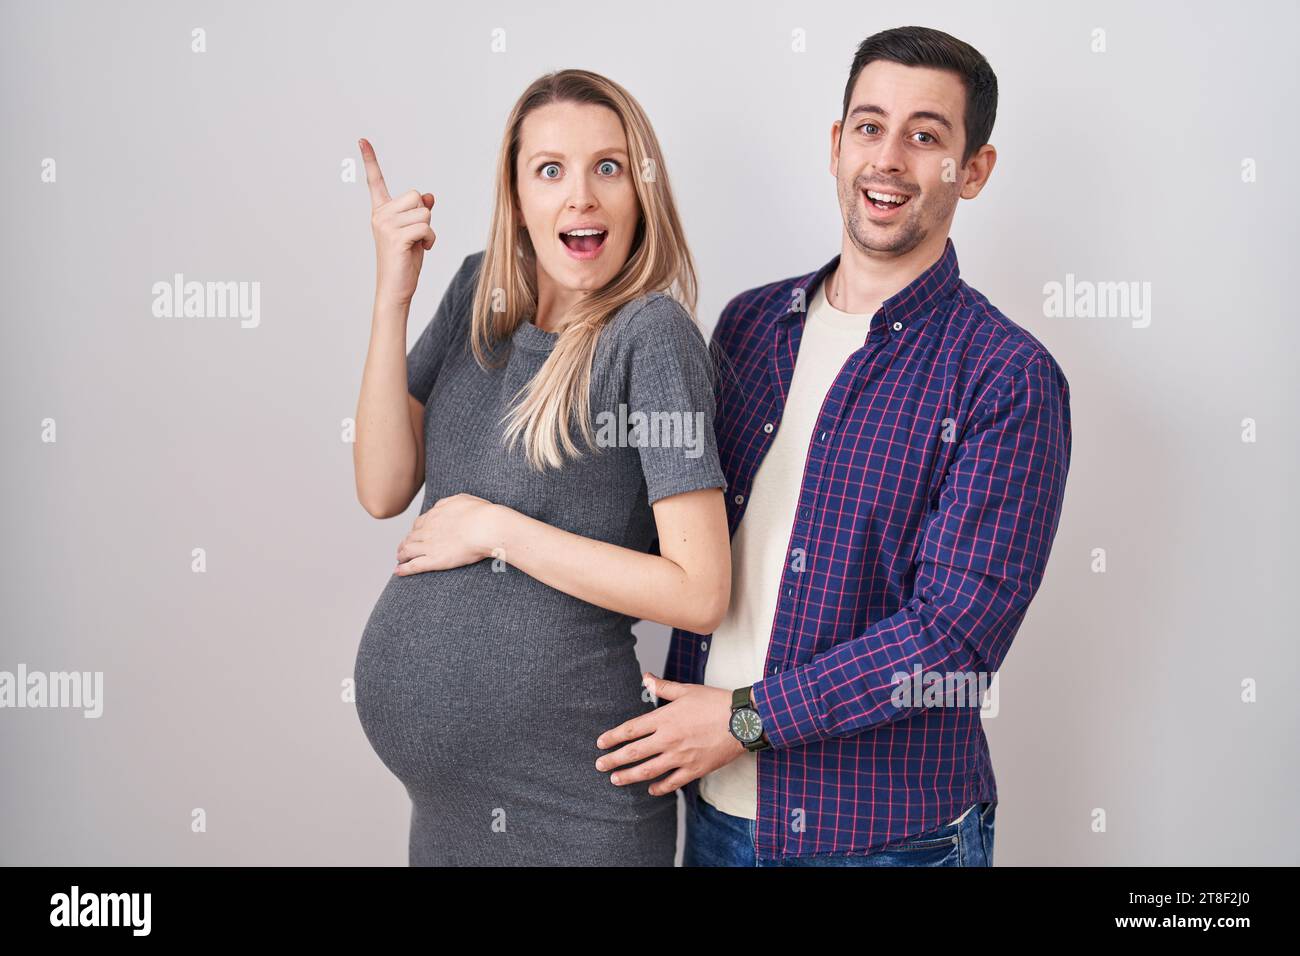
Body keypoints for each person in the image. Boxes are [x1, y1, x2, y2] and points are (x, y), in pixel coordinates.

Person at [594, 25, 1072, 866]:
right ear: (835, 144)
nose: (888, 158)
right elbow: (681, 535)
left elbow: (950, 639)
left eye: (926, 136)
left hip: (888, 839)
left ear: (974, 170)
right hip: (710, 816)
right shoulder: (748, 326)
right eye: (869, 126)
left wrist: (744, 720)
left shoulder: (1008, 377)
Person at [350, 69, 730, 866]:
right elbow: (383, 486)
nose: (580, 196)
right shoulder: (476, 295)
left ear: (642, 190)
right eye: (550, 170)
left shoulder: (649, 336)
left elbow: (698, 592)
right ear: (517, 196)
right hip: (450, 815)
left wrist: (496, 530)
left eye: (609, 167)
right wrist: (393, 294)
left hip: (571, 809)